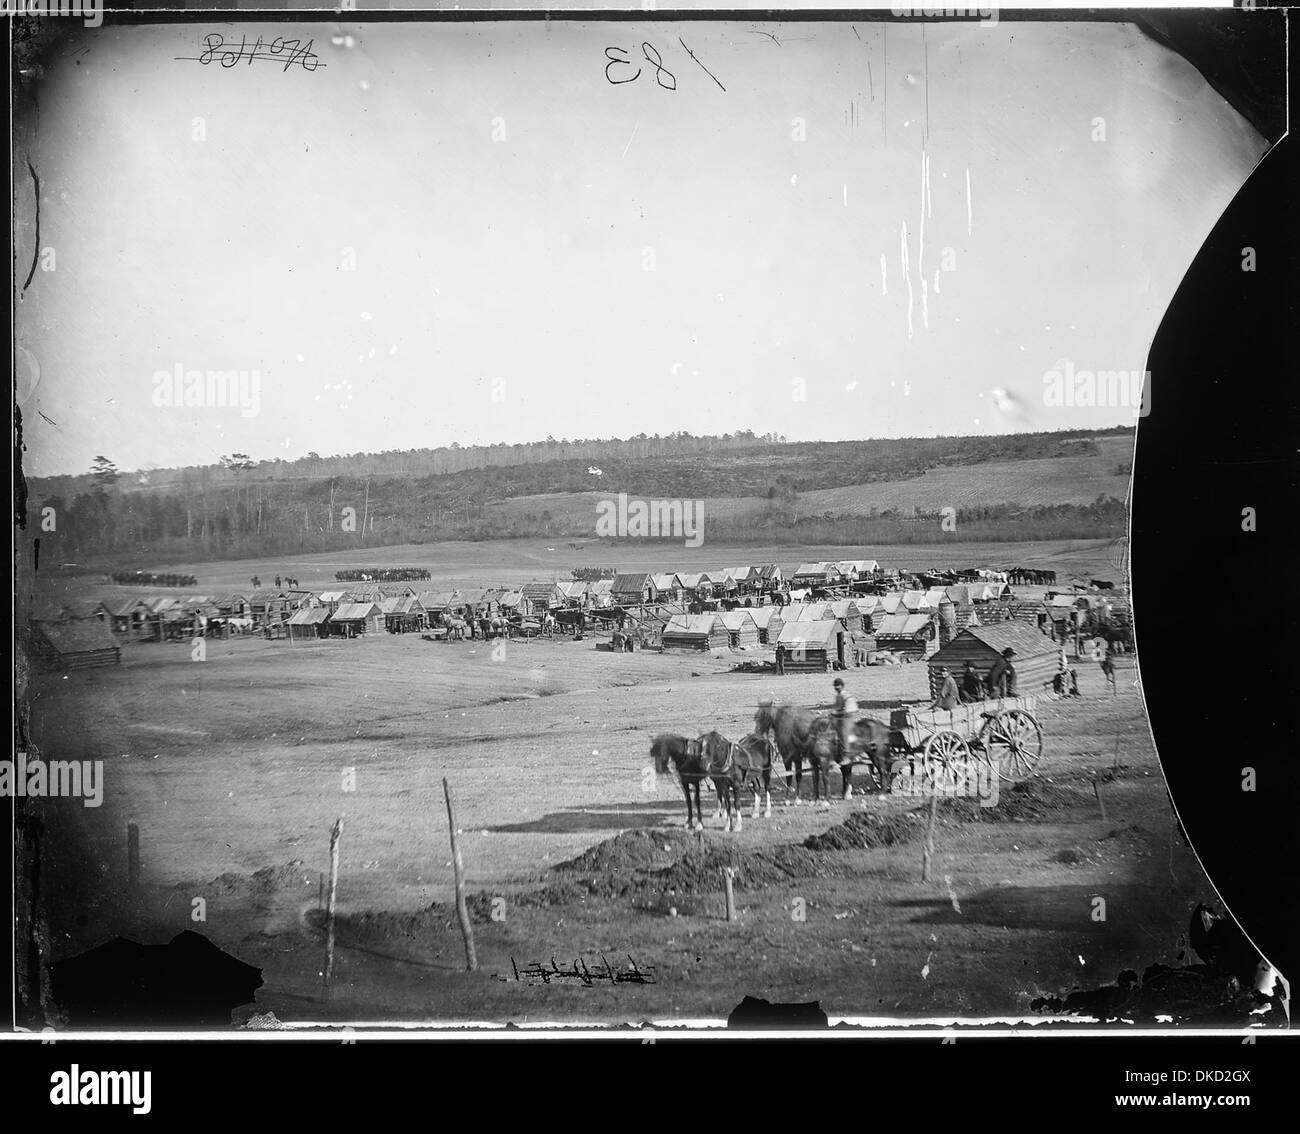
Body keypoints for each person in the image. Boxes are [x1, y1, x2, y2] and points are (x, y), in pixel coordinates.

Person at [832, 678, 858, 799]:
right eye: (835, 686)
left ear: (842, 686)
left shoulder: (847, 696)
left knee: (842, 733)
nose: (836, 688)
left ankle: (845, 755)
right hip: (839, 719)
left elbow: (848, 710)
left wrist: (837, 714)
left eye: (838, 686)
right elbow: (837, 709)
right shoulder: (838, 696)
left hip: (847, 719)